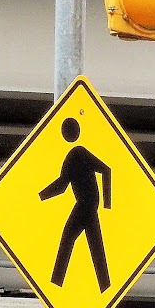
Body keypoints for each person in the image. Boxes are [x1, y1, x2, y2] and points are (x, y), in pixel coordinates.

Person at [39, 117, 112, 292]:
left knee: (68, 239)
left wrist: (107, 204)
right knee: (94, 246)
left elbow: (106, 170)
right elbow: (62, 186)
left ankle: (56, 283)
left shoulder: (79, 153)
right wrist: (40, 196)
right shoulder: (71, 157)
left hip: (87, 204)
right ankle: (105, 286)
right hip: (86, 204)